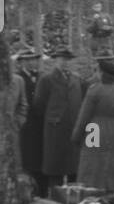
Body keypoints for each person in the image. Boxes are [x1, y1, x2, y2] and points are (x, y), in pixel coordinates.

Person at [72, 59, 114, 196]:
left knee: (91, 163)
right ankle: (110, 191)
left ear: (101, 73)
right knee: (113, 163)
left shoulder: (94, 90)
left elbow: (84, 116)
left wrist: (76, 136)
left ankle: (91, 193)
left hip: (94, 129)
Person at [35, 47, 85, 189]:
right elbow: (39, 104)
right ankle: (55, 197)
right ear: (55, 61)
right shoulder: (46, 79)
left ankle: (73, 198)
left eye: (68, 60)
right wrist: (54, 117)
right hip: (55, 129)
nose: (65, 63)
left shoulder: (76, 79)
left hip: (74, 127)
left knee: (73, 167)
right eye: (62, 59)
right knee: (55, 168)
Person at [14, 48, 46, 195]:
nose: (32, 62)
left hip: (41, 124)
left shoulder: (41, 77)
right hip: (26, 125)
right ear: (21, 63)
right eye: (28, 60)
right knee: (28, 159)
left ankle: (42, 190)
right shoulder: (17, 79)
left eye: (33, 59)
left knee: (40, 158)